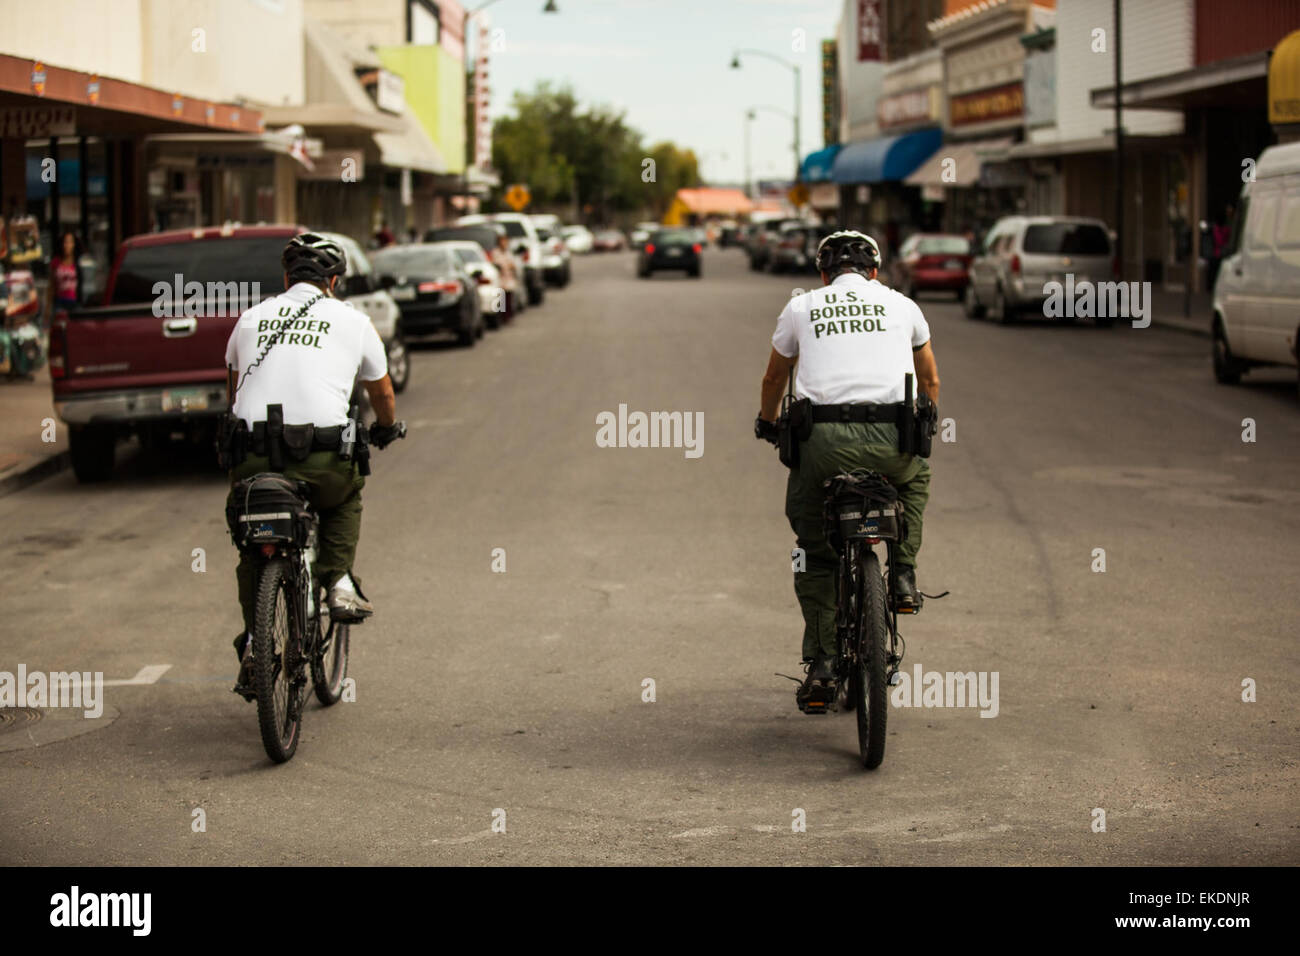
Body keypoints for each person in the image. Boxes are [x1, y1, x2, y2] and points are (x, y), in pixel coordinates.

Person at [755, 229, 941, 709]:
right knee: (915, 479)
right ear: (874, 271)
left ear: (823, 274)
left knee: (814, 552)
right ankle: (902, 575)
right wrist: (928, 419)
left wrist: (767, 421)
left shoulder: (801, 307)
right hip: (892, 440)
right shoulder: (903, 306)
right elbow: (931, 379)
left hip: (823, 444)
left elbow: (776, 375)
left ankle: (821, 664)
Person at [222, 233, 404, 699]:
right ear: (334, 281)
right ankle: (339, 580)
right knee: (345, 495)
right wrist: (385, 427)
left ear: (285, 279)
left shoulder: (249, 319)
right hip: (324, 460)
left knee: (252, 540)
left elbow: (234, 390)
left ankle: (254, 647)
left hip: (254, 461)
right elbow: (382, 394)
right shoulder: (353, 321)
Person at [46, 230, 82, 328]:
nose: (67, 245)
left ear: (74, 244)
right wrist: (48, 308)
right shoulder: (56, 262)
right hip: (59, 302)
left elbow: (81, 284)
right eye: (65, 242)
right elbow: (51, 285)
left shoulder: (78, 262)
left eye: (70, 242)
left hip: (74, 303)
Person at [489, 232, 522, 317]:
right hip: (500, 278)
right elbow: (495, 264)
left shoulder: (508, 253)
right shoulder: (495, 253)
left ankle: (507, 315)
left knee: (508, 298)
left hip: (508, 278)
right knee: (500, 299)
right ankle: (501, 315)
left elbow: (512, 264)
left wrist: (512, 268)